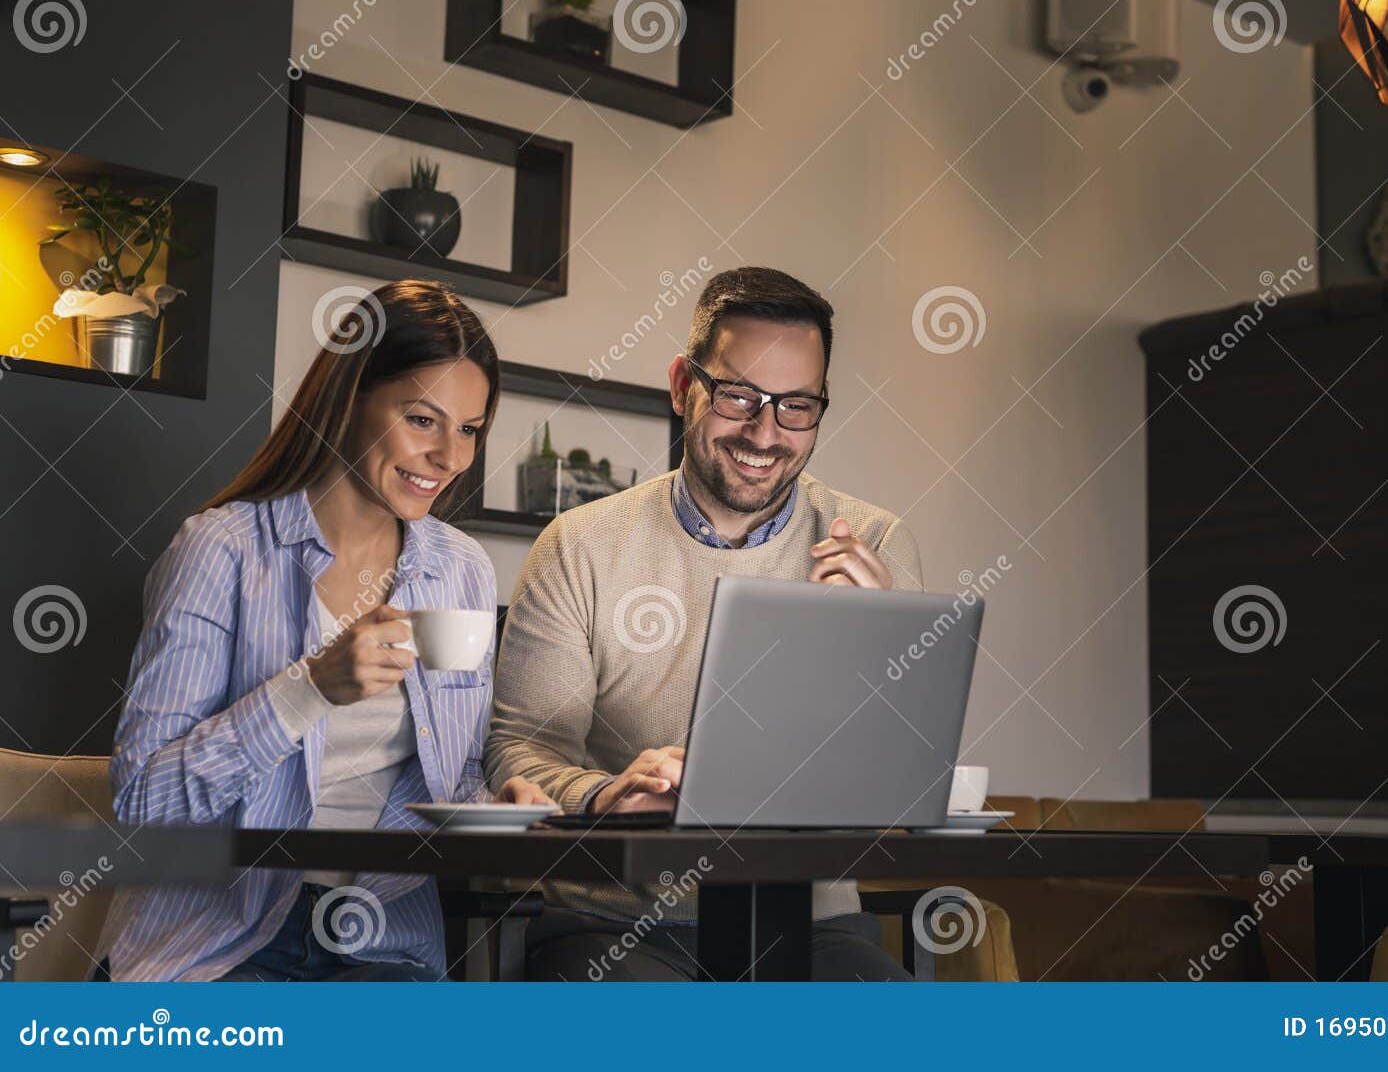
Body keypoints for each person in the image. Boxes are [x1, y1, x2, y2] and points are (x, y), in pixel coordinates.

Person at [96, 280, 551, 982]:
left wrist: (496, 805)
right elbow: (143, 798)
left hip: (383, 943)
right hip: (221, 943)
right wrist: (308, 689)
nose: (451, 458)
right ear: (350, 398)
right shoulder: (223, 550)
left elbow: (444, 775)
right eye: (423, 420)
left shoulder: (459, 568)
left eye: (469, 429)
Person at [488, 266, 921, 980]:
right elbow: (519, 752)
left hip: (809, 929)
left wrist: (866, 651)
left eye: (795, 406)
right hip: (617, 925)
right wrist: (607, 794)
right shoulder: (578, 544)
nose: (764, 431)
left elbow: (897, 792)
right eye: (738, 395)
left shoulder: (873, 543)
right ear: (683, 385)